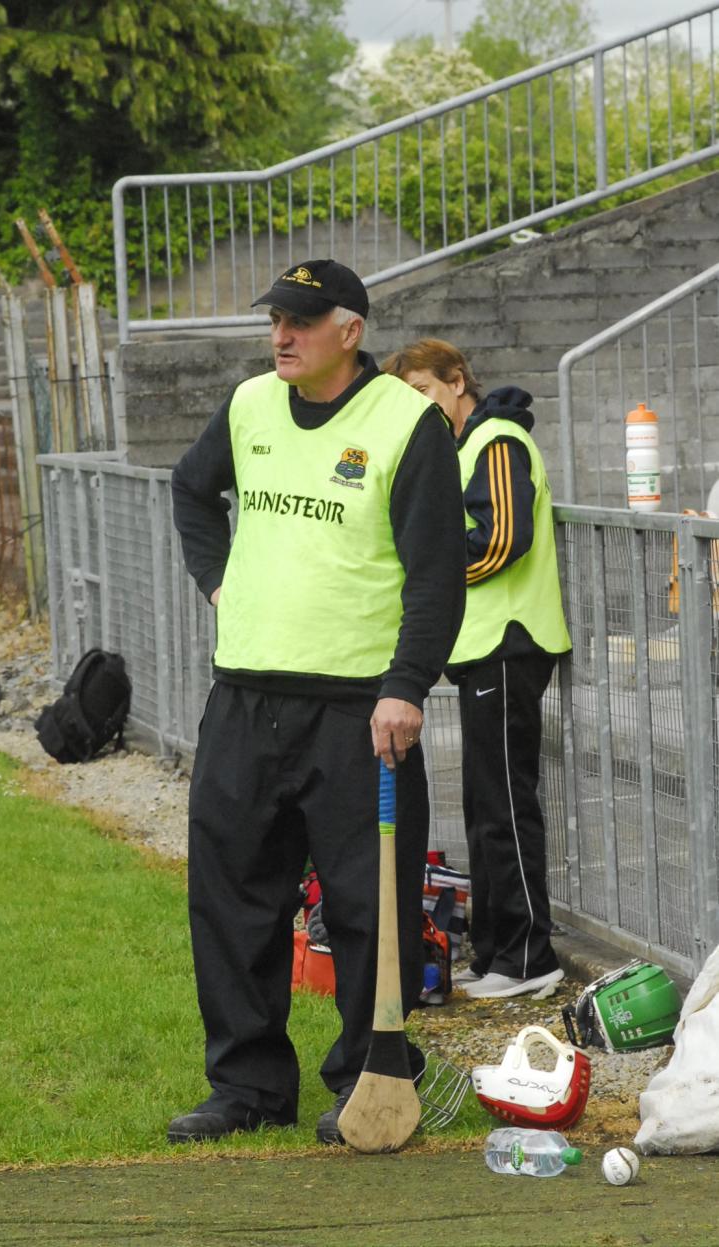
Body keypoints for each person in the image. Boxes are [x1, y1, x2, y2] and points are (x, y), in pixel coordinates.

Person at [168, 261, 466, 1144]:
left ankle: (368, 1077)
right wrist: (217, 579)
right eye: (275, 320)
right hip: (245, 697)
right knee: (231, 897)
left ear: (350, 331)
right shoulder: (250, 404)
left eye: (300, 321)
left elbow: (437, 575)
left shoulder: (405, 423)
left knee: (364, 906)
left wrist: (405, 686)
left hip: (356, 711)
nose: (280, 335)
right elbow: (191, 489)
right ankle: (248, 1085)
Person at [382, 339, 571, 1000]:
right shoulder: (464, 445)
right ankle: (497, 953)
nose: (419, 409)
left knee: (503, 805)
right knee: (485, 803)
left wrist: (428, 573)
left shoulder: (493, 438)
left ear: (456, 380)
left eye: (424, 393)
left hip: (506, 643)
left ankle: (527, 957)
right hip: (484, 646)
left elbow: (500, 538)